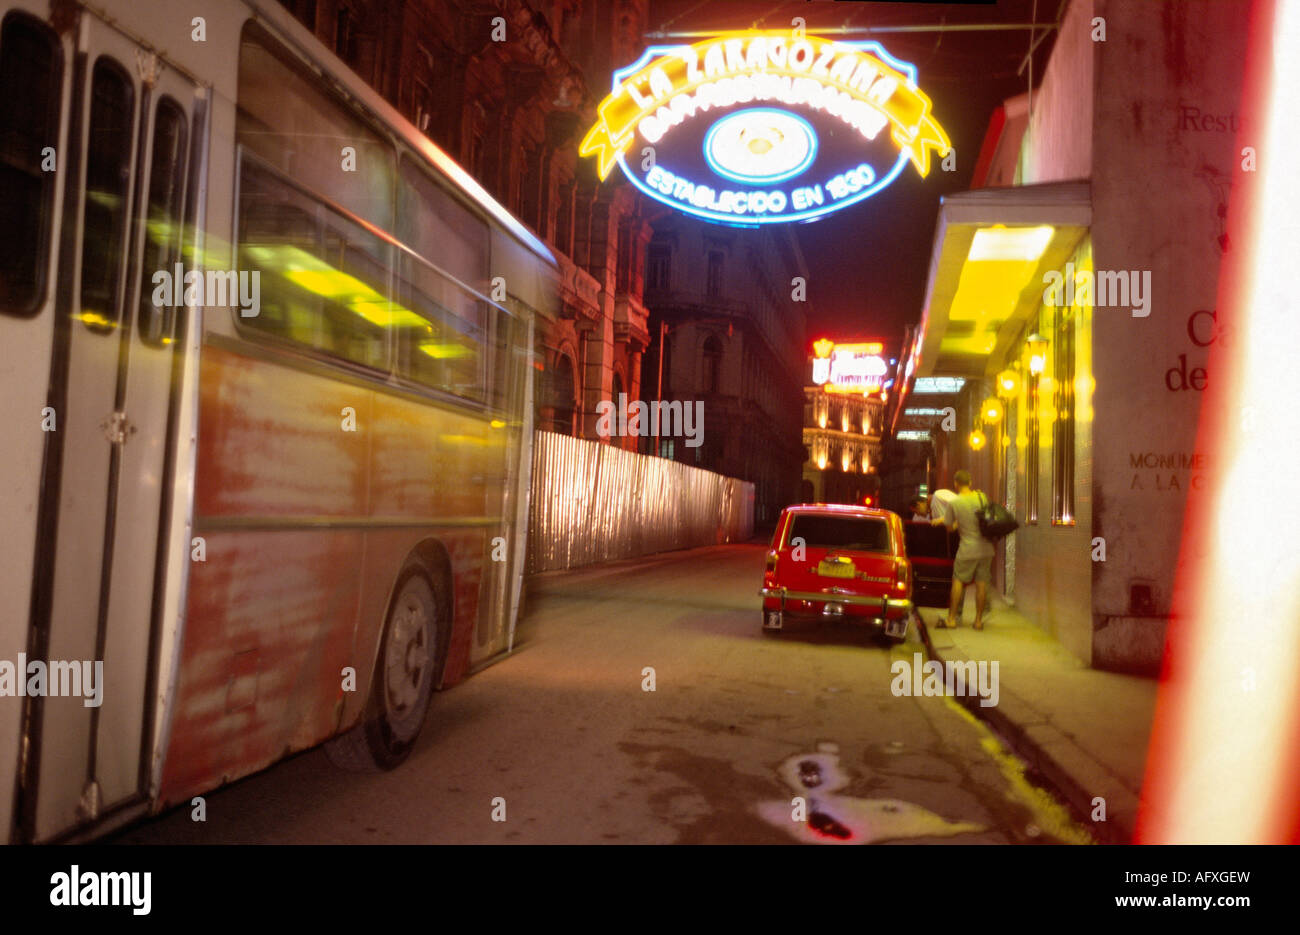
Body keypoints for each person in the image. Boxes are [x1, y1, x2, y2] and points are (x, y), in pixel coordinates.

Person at [930, 470, 993, 630]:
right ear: (970, 483)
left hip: (967, 549)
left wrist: (958, 523)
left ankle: (951, 619)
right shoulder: (982, 497)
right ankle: (978, 621)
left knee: (958, 581)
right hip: (986, 548)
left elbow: (950, 528)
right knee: (981, 584)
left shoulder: (954, 503)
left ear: (956, 484)